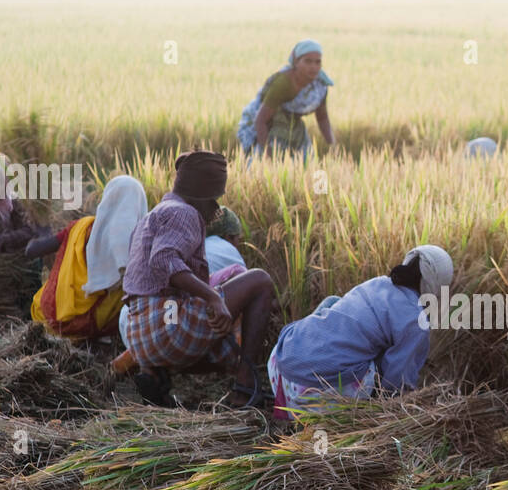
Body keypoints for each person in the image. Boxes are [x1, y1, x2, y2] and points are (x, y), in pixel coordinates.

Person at [118, 150, 275, 408]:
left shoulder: (153, 216)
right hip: (166, 327)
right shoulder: (184, 212)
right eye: (214, 199)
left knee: (225, 343)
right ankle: (245, 388)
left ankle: (159, 379)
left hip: (140, 338)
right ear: (201, 193)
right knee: (260, 280)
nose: (215, 209)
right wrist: (213, 297)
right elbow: (164, 260)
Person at [266, 245, 453, 420]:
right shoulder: (416, 320)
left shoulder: (378, 283)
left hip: (280, 367)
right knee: (384, 364)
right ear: (436, 284)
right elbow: (396, 385)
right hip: (313, 396)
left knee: (333, 303)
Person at [28, 175, 147, 341]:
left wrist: (33, 237)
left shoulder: (81, 228)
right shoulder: (140, 240)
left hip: (51, 314)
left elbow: (33, 251)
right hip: (96, 322)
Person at [237, 40, 335, 161]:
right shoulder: (284, 82)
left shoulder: (320, 86)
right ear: (296, 62)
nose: (313, 67)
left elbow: (322, 118)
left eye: (317, 62)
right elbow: (260, 120)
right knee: (268, 159)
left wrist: (332, 145)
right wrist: (267, 153)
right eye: (308, 61)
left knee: (305, 160)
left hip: (293, 123)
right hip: (268, 123)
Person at [205, 206, 248, 286]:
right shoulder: (228, 249)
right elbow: (247, 283)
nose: (238, 243)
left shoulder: (197, 246)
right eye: (237, 238)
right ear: (228, 236)